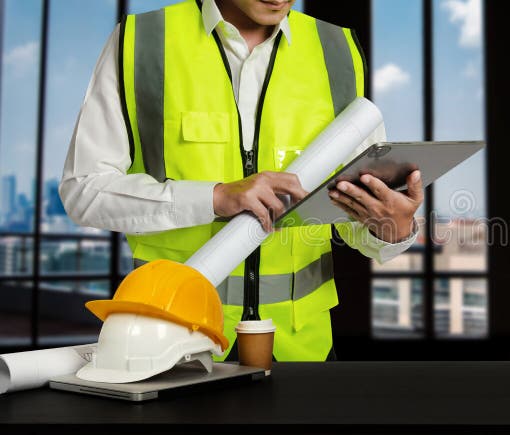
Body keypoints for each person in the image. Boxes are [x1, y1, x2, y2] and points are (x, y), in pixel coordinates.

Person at [59, 0, 423, 362]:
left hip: (303, 350)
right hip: (175, 342)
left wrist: (392, 227)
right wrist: (214, 198)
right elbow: (83, 190)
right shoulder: (143, 42)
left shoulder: (336, 51)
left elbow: (351, 218)